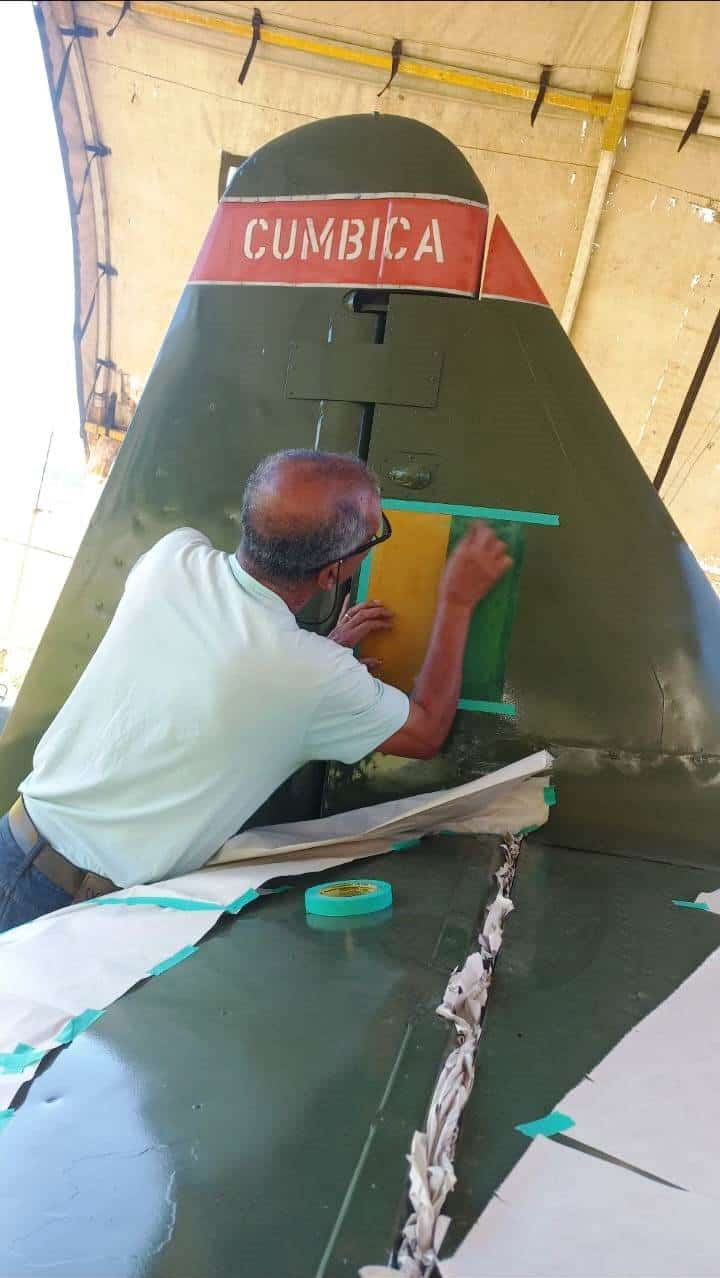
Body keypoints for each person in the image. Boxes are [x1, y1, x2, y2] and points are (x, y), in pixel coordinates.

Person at [0, 449, 511, 932]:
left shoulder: (172, 556)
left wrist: (320, 653)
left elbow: (215, 656)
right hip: (62, 906)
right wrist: (458, 600)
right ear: (334, 572)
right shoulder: (305, 674)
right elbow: (426, 733)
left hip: (17, 840)